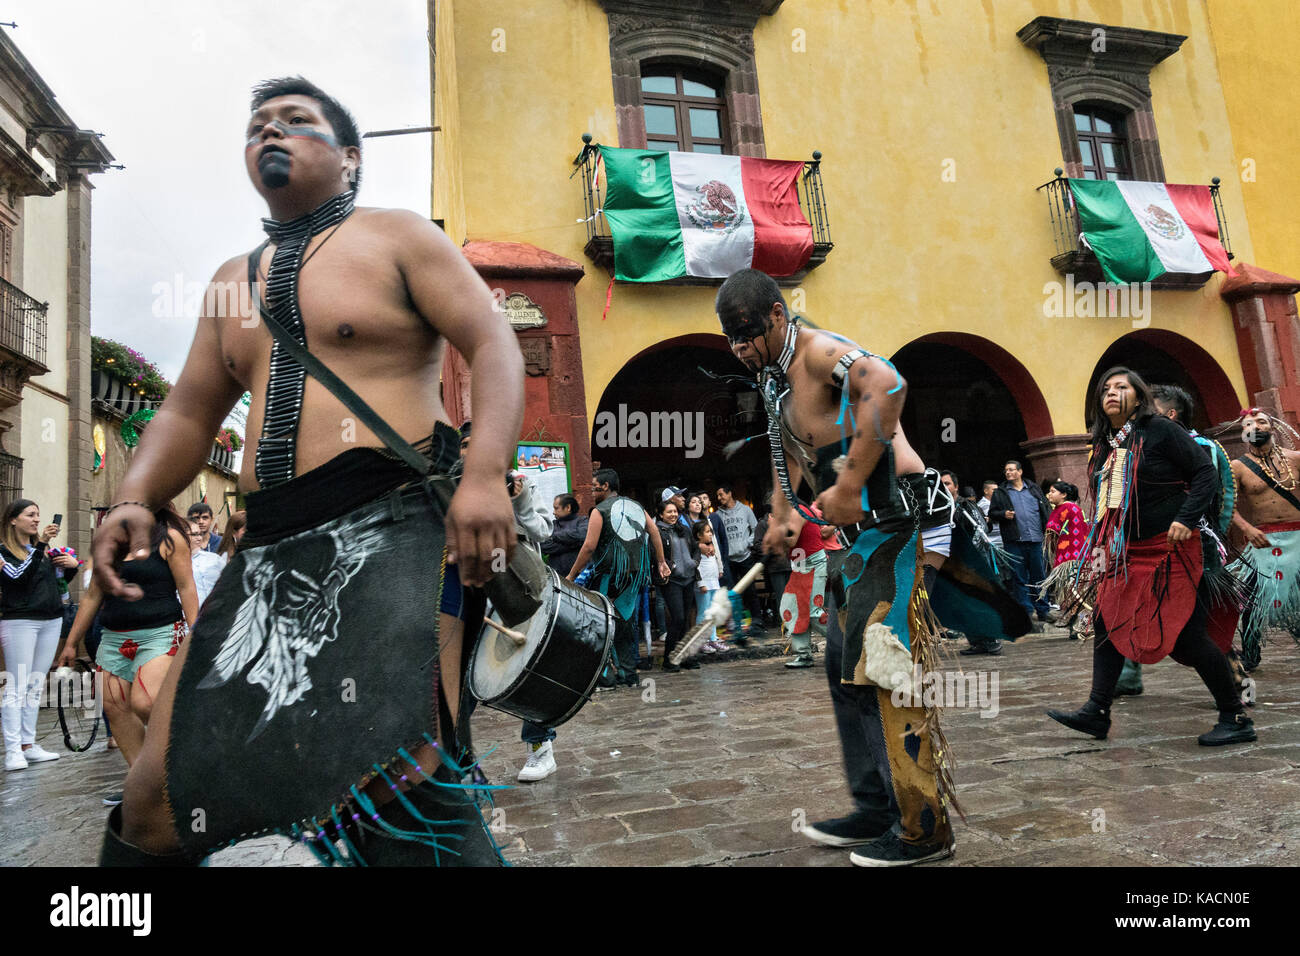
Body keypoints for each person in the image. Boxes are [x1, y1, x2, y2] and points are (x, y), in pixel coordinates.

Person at [93, 76, 524, 867]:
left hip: (391, 525)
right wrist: (132, 497)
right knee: (157, 792)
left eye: (296, 121)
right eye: (257, 125)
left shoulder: (400, 237)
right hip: (267, 549)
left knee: (398, 770)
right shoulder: (230, 280)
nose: (270, 132)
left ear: (352, 159)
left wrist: (486, 473)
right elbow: (189, 410)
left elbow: (494, 343)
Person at [717, 268, 955, 867]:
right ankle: (878, 806)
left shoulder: (820, 352)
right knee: (841, 664)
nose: (742, 349)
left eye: (748, 334)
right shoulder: (776, 381)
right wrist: (782, 514)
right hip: (856, 540)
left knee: (882, 668)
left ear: (777, 315)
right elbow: (788, 454)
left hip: (892, 525)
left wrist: (848, 483)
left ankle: (923, 829)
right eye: (731, 340)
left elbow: (889, 383)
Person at [1047, 368, 1255, 747]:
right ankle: (1097, 711)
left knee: (1187, 637)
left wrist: (1185, 518)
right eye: (1106, 388)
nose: (1112, 392)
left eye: (1122, 387)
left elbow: (1205, 473)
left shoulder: (1160, 429)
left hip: (1171, 547)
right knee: (1108, 621)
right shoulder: (1106, 443)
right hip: (1129, 551)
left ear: (1138, 397)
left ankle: (1236, 715)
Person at [60, 506, 198, 772]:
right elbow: (91, 596)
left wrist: (196, 636)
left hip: (161, 633)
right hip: (112, 638)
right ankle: (146, 782)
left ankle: (186, 761)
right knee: (115, 708)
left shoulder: (170, 538)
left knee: (145, 701)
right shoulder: (109, 544)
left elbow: (186, 587)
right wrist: (69, 643)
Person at [567, 469, 669, 686]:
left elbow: (588, 547)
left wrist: (572, 574)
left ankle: (607, 676)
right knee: (625, 623)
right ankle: (628, 674)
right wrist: (661, 562)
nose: (592, 490)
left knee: (602, 624)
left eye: (595, 486)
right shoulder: (637, 506)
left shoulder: (599, 511)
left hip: (608, 576)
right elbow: (655, 532)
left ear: (605, 486)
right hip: (634, 578)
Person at [0, 499, 79, 770]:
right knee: (17, 684)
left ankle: (28, 745)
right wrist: (42, 545)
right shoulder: (3, 552)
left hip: (51, 619)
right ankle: (12, 751)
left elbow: (52, 583)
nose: (36, 519)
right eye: (30, 515)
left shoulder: (40, 551)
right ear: (13, 520)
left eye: (38, 514)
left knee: (35, 684)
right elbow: (18, 578)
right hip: (20, 620)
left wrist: (70, 567)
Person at [1229, 407, 1300, 671]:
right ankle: (1250, 653)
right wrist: (1247, 529)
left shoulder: (1295, 458)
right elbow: (1228, 506)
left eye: (1262, 421)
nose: (1256, 426)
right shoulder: (1237, 467)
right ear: (1244, 432)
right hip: (1264, 541)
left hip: (1299, 535)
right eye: (1250, 423)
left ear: (1273, 427)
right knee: (1251, 599)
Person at [989, 460, 1053, 628]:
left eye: (1011, 470)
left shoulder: (1033, 489)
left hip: (1036, 540)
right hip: (1014, 541)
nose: (1008, 473)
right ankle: (1026, 611)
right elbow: (992, 514)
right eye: (1006, 470)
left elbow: (1045, 509)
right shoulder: (1001, 493)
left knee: (1039, 576)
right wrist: (1003, 514)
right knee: (1019, 577)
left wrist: (1049, 530)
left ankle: (1043, 610)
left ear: (1020, 472)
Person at [776, 504, 829, 669]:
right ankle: (803, 655)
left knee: (814, 612)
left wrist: (775, 535)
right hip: (800, 565)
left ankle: (848, 644)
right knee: (793, 609)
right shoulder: (787, 515)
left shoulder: (796, 511)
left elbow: (791, 539)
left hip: (814, 563)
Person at [655, 499, 700, 671]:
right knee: (678, 618)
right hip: (671, 580)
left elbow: (695, 548)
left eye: (675, 512)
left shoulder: (685, 529)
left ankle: (686, 657)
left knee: (687, 619)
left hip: (688, 578)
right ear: (660, 514)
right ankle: (669, 659)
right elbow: (654, 554)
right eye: (669, 512)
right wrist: (667, 565)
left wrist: (694, 562)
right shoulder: (657, 532)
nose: (673, 514)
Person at [1039, 481, 1088, 636]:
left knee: (1073, 591)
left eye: (1053, 491)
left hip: (1071, 556)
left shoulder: (1066, 508)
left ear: (1064, 494)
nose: (1049, 495)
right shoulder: (1070, 508)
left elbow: (1052, 530)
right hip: (1074, 555)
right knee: (1074, 591)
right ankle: (1077, 624)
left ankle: (1078, 624)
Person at [716, 484, 761, 628]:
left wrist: (747, 543)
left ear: (729, 494)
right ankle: (737, 621)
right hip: (729, 559)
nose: (719, 498)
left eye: (721, 494)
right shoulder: (717, 515)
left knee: (750, 590)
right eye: (718, 496)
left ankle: (757, 620)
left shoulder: (746, 510)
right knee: (733, 593)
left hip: (745, 557)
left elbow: (756, 529)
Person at [692, 520, 727, 653]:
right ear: (699, 535)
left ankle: (713, 639)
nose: (710, 534)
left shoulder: (710, 547)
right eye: (707, 532)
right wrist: (701, 583)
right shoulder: (697, 549)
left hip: (713, 583)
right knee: (703, 612)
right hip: (704, 585)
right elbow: (697, 567)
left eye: (710, 531)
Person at [540, 494, 587, 578]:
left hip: (577, 578)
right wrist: (576, 544)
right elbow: (544, 546)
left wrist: (554, 537)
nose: (553, 512)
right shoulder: (553, 525)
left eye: (556, 508)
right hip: (556, 579)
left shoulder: (582, 521)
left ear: (568, 508)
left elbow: (582, 536)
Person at [698, 489, 733, 588]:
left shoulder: (715, 517)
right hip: (707, 562)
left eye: (705, 498)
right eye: (699, 499)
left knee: (728, 588)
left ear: (709, 502)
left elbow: (723, 539)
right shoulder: (697, 520)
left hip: (721, 559)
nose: (702, 501)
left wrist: (725, 558)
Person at [189, 519, 226, 606]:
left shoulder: (214, 559)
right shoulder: (174, 564)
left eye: (200, 534)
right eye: (194, 534)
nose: (199, 538)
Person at [977, 480, 1003, 549]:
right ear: (986, 491)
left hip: (1000, 540)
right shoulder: (983, 504)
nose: (997, 492)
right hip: (992, 541)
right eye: (994, 490)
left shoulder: (995, 503)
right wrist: (1004, 515)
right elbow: (994, 518)